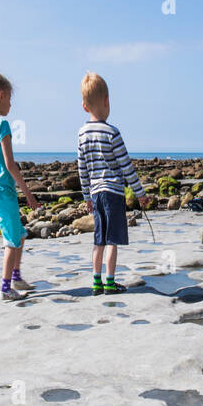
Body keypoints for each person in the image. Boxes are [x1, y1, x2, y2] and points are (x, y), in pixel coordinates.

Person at [77, 71, 150, 294]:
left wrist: (86, 196)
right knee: (112, 240)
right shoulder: (112, 132)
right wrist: (140, 194)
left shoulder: (82, 134)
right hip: (113, 192)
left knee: (98, 238)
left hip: (96, 193)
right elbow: (127, 167)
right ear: (108, 101)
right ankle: (110, 281)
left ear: (84, 106)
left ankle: (96, 281)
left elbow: (82, 169)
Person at [0, 64, 39, 301]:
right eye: (10, 99)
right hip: (2, 189)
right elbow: (10, 163)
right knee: (12, 239)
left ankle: (16, 276)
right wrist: (28, 193)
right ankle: (5, 287)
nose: (11, 106)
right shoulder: (1, 124)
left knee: (19, 233)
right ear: (0, 95)